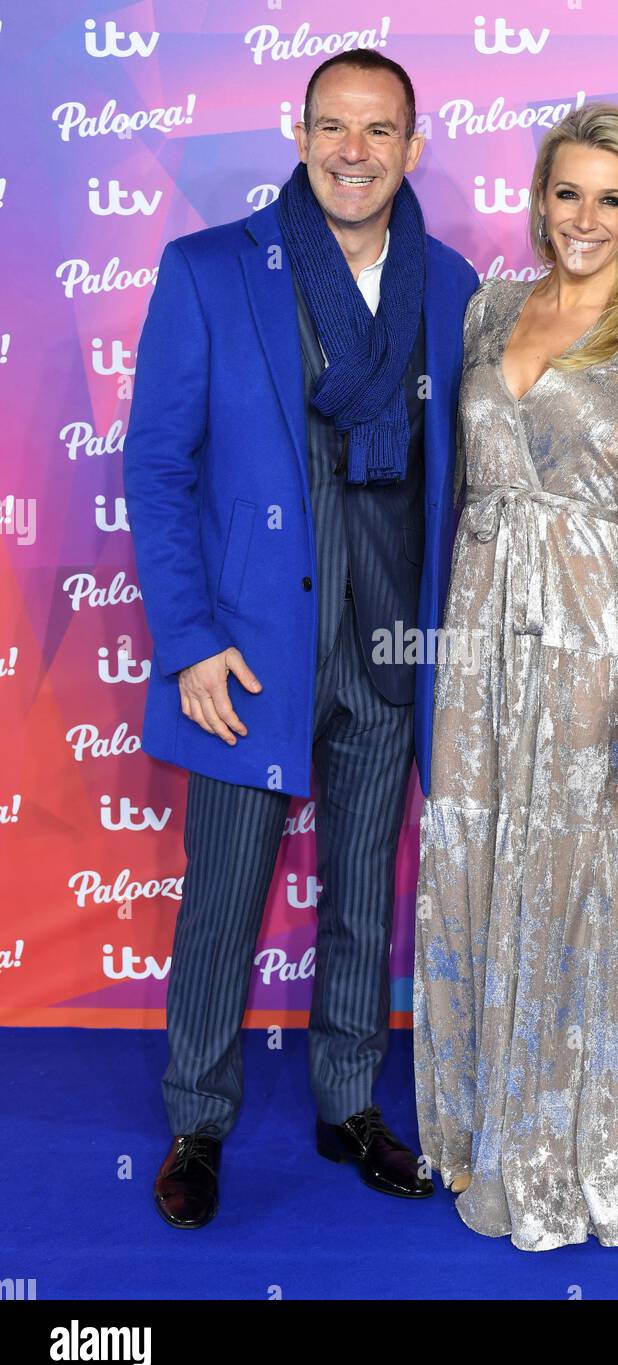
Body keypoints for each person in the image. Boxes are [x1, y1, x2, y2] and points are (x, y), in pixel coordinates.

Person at [123, 50, 479, 1228]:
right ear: (301, 130)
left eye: (380, 131)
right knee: (223, 895)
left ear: (412, 147)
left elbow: (463, 483)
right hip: (250, 650)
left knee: (363, 895)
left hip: (388, 651)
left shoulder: (453, 286)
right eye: (334, 125)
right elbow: (159, 469)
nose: (354, 151)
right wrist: (188, 641)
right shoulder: (211, 270)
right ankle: (198, 1121)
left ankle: (346, 1105)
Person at [413, 102, 618, 1250]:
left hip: (591, 638)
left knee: (570, 879)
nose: (582, 218)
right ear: (540, 197)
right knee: (476, 859)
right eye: (566, 192)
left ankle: (564, 1154)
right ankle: (479, 1126)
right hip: (479, 627)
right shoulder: (493, 307)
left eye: (610, 198)